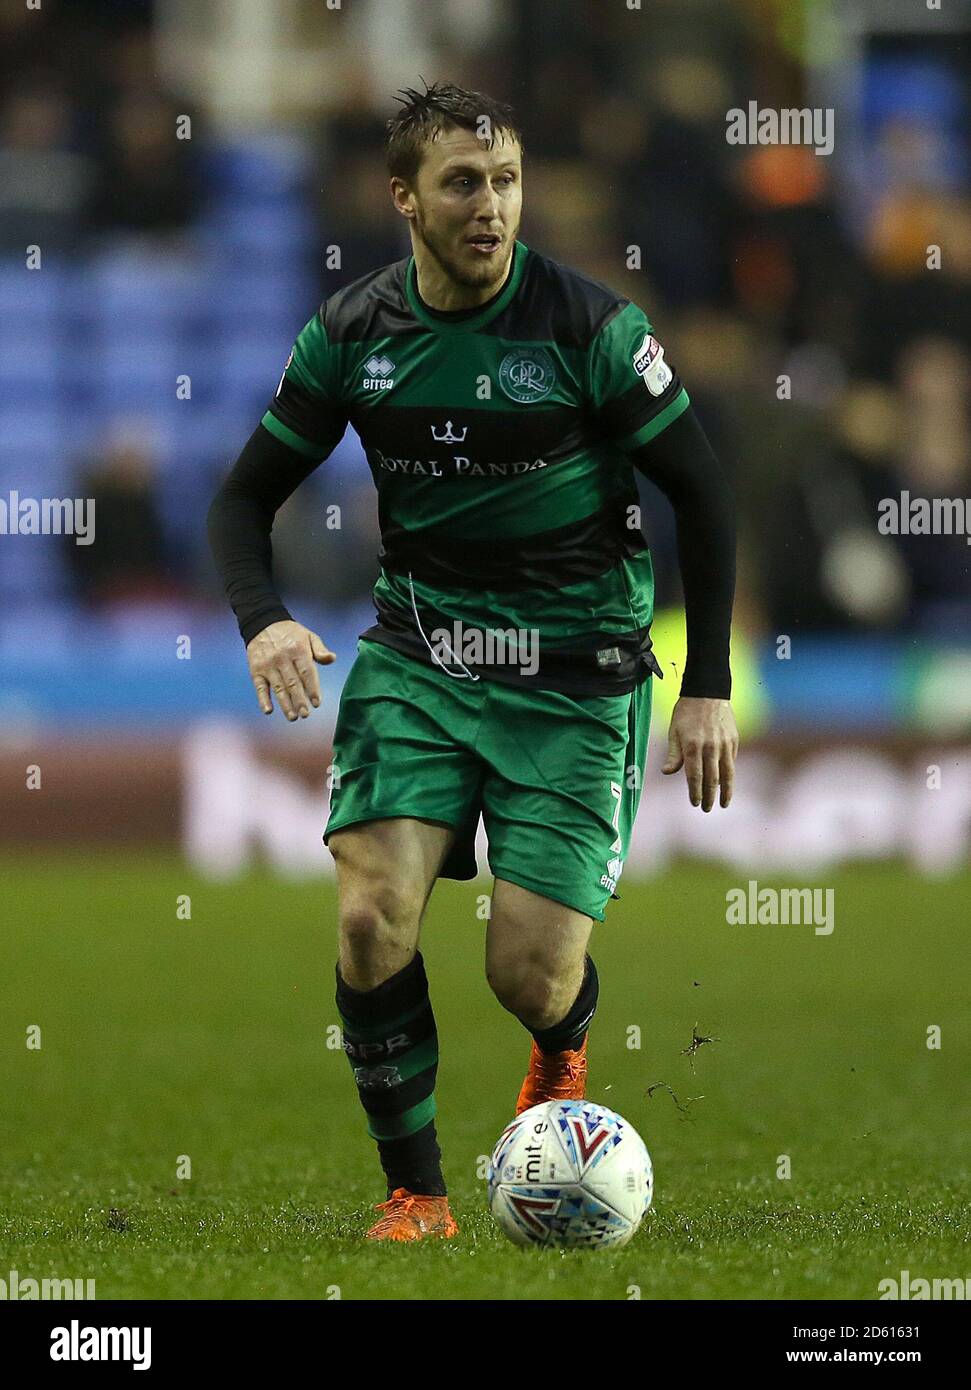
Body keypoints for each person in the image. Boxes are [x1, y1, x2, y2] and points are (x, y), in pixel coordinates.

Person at [208, 83, 737, 1243]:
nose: (489, 205)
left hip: (576, 675)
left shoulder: (591, 329)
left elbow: (701, 491)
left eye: (503, 180)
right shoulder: (354, 333)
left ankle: (559, 1050)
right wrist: (264, 616)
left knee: (528, 975)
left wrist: (704, 683)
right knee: (368, 917)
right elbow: (243, 497)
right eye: (460, 183)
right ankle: (419, 1197)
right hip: (422, 656)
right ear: (403, 197)